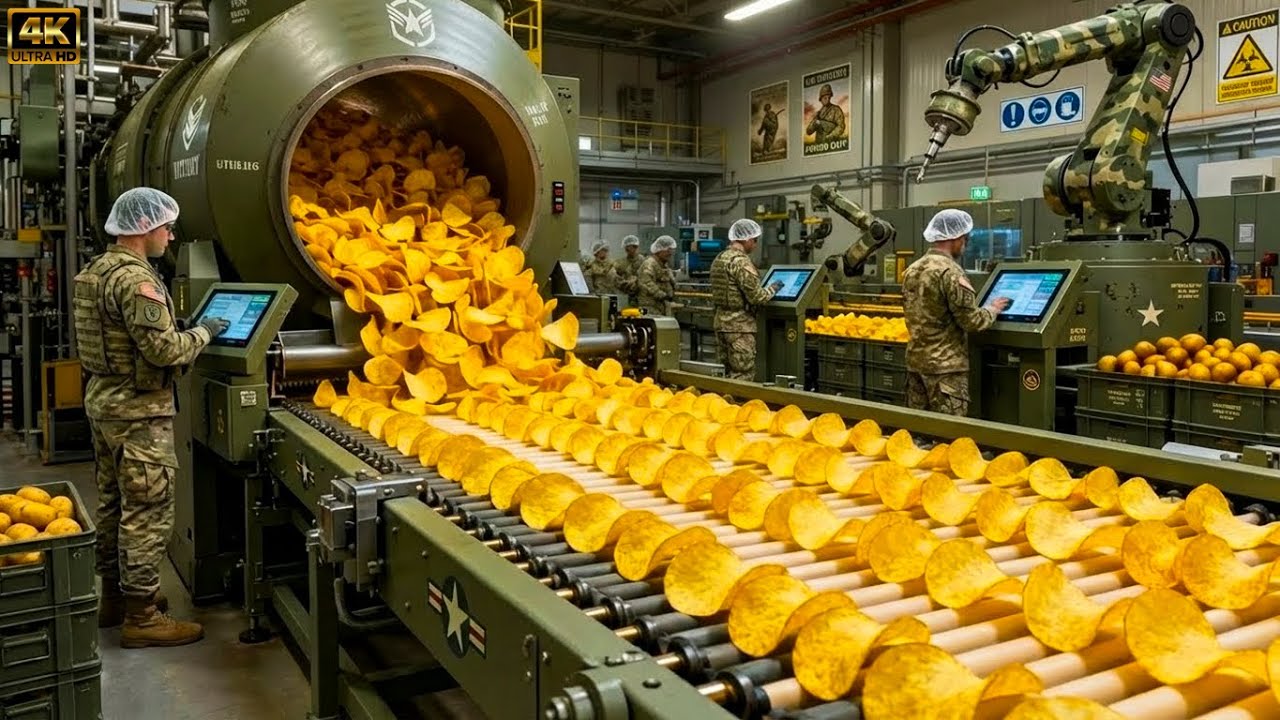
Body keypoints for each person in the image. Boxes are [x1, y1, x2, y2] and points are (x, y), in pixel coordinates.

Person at [72, 187, 229, 648]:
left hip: (104, 402)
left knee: (113, 504)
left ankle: (115, 599)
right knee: (148, 511)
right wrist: (204, 332)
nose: (171, 235)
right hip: (139, 412)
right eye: (167, 227)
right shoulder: (137, 281)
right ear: (145, 229)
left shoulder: (95, 271)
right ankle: (141, 618)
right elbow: (163, 349)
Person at [901, 209, 1010, 417]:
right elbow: (971, 321)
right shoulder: (951, 272)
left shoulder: (912, 269)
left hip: (916, 364)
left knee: (918, 435)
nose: (965, 245)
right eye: (965, 240)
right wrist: (993, 309)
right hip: (945, 371)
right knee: (949, 437)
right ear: (957, 238)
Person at [710, 219, 782, 381]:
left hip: (721, 324)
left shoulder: (720, 259)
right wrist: (774, 288)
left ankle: (720, 405)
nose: (755, 245)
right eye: (755, 240)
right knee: (743, 374)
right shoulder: (741, 262)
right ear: (747, 239)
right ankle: (737, 405)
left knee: (724, 374)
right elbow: (757, 297)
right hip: (739, 327)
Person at [637, 235, 677, 315]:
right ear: (659, 250)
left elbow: (670, 282)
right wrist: (663, 295)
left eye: (671, 250)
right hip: (650, 307)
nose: (670, 253)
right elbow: (647, 283)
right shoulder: (650, 264)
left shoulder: (663, 265)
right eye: (667, 250)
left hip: (661, 306)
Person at [614, 235, 644, 302]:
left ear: (636, 247)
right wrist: (624, 283)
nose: (627, 250)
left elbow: (647, 278)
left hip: (641, 296)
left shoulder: (644, 261)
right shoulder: (621, 263)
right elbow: (615, 278)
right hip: (626, 295)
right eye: (626, 248)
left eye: (629, 248)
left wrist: (635, 281)